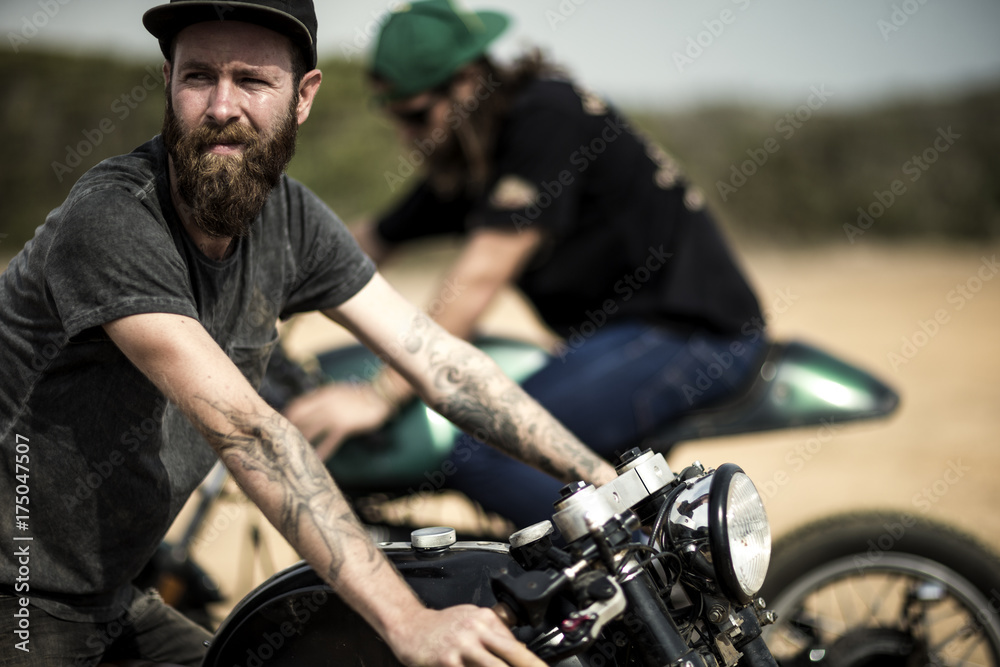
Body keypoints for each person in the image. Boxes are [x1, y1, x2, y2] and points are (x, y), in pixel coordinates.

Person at [0, 1, 617, 665]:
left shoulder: (289, 218)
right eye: (198, 77)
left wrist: (608, 484)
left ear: (304, 96)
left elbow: (439, 361)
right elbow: (246, 430)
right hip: (22, 602)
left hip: (110, 598)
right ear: (168, 83)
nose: (221, 107)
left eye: (253, 81)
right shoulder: (114, 217)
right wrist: (408, 621)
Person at [284, 0, 769, 529]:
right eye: (395, 118)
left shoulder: (545, 117)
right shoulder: (475, 152)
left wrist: (380, 394)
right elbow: (362, 244)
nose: (407, 137)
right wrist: (261, 304)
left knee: (485, 447)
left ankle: (640, 583)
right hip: (621, 341)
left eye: (416, 115)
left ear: (468, 83)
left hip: (693, 336)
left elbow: (479, 277)